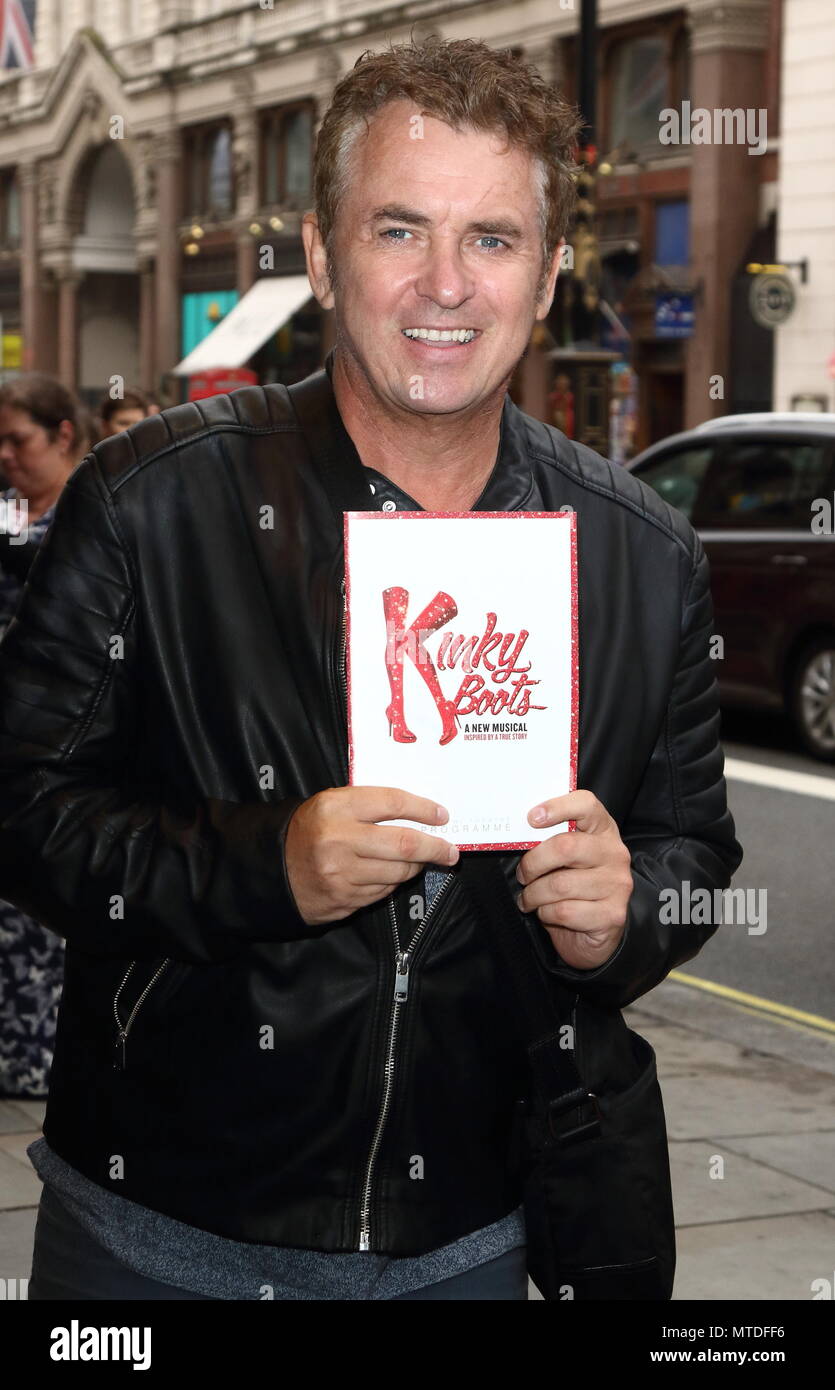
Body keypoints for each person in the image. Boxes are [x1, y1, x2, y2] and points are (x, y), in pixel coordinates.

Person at [0, 39, 742, 1300]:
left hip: (479, 1231)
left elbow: (696, 855)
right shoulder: (148, 502)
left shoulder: (643, 551)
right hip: (157, 1237)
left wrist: (623, 914)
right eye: (399, 228)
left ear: (551, 270)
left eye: (494, 239)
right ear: (322, 251)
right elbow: (21, 813)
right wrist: (262, 866)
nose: (445, 285)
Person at [0, 374, 86, 1097]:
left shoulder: (94, 509)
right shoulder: (7, 512)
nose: (4, 457)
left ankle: (37, 1060)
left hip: (61, 745)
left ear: (62, 435)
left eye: (17, 440)